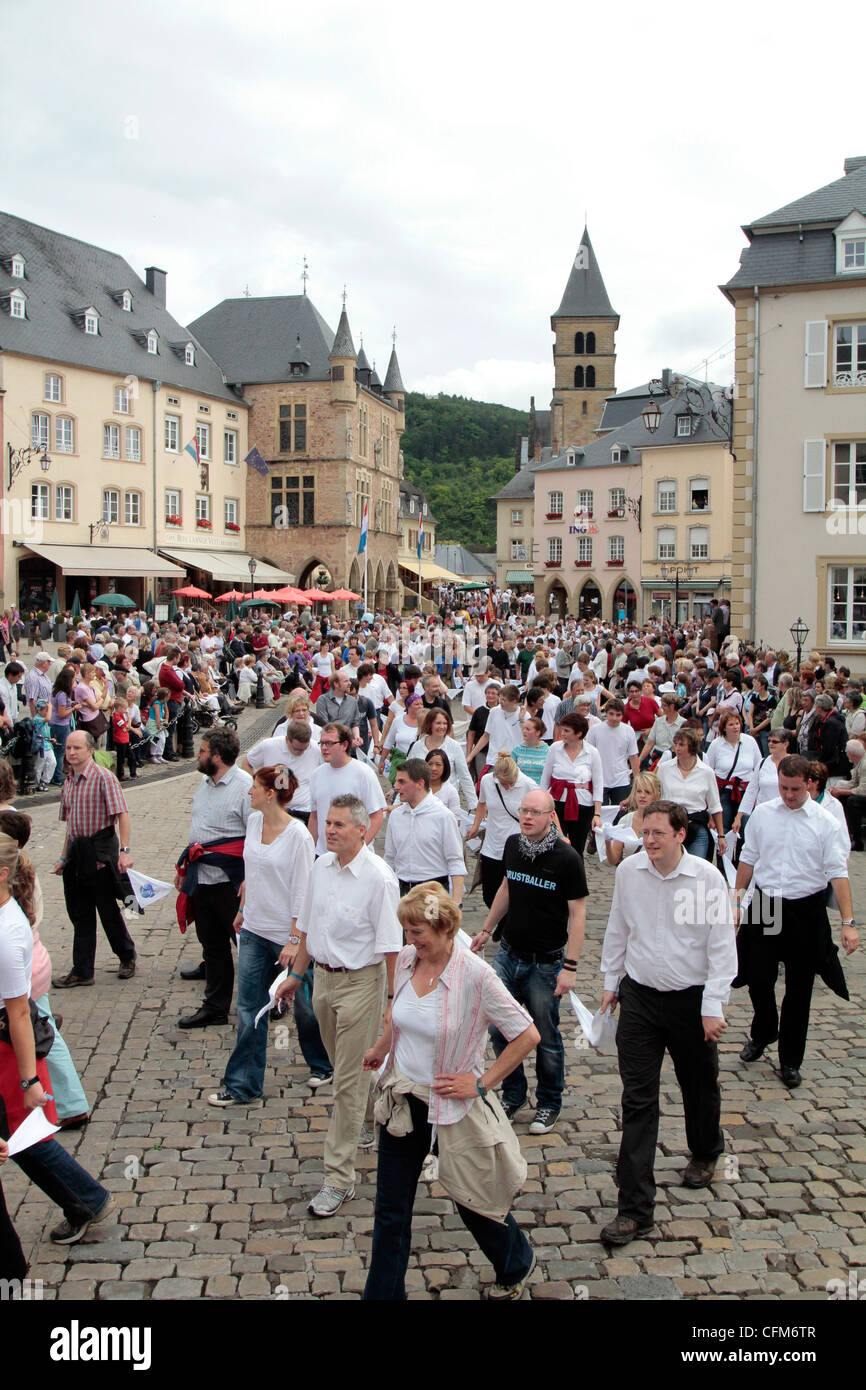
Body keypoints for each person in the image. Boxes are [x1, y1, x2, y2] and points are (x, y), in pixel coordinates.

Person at [362, 882, 539, 1301]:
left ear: (444, 930)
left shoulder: (476, 975)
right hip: (404, 1100)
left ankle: (515, 1260)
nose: (410, 941)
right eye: (407, 931)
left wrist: (480, 1083)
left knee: (471, 1196)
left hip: (452, 1106)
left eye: (418, 932)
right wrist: (381, 1049)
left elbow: (526, 1034)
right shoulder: (407, 960)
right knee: (390, 1210)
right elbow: (399, 1014)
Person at [598, 800, 737, 1246]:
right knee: (638, 1100)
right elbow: (618, 927)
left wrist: (713, 1004)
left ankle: (705, 1149)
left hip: (690, 1000)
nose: (649, 840)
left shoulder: (707, 878)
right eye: (645, 831)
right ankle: (635, 1209)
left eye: (659, 833)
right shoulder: (629, 873)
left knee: (698, 1082)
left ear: (681, 835)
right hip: (640, 997)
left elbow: (721, 946)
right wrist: (610, 981)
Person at [276, 795, 402, 1217]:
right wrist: (296, 975)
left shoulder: (379, 879)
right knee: (345, 1068)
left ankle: (338, 1178)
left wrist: (389, 1004)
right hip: (324, 982)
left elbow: (390, 949)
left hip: (364, 984)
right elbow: (309, 928)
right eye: (327, 823)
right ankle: (367, 1119)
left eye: (339, 825)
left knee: (345, 1081)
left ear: (362, 830)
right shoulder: (320, 867)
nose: (329, 830)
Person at [0, 830, 114, 1246]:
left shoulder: (8, 931)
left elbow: (17, 1012)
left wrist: (30, 1082)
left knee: (25, 1136)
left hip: (8, 1049)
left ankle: (86, 1199)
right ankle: (85, 1199)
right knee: (20, 1137)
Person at [734, 755, 858, 1088]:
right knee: (757, 976)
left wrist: (848, 921)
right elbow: (748, 858)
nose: (789, 795)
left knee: (800, 989)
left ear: (809, 783)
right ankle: (764, 1030)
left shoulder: (825, 821)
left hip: (806, 908)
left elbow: (838, 873)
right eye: (784, 788)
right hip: (765, 904)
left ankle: (790, 1060)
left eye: (796, 789)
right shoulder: (763, 814)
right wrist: (736, 899)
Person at [470, 788, 587, 1134]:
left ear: (551, 816)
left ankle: (549, 1102)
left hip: (545, 963)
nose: (527, 817)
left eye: (535, 812)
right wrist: (488, 928)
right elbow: (508, 886)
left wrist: (571, 967)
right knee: (499, 1028)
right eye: (524, 810)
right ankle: (514, 1093)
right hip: (508, 954)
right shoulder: (512, 845)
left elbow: (578, 913)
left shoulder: (566, 859)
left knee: (545, 1035)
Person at [207, 766, 316, 1106]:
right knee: (248, 1009)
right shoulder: (254, 824)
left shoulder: (298, 835)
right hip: (254, 930)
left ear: (271, 793)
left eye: (254, 786)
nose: (248, 792)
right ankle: (243, 1085)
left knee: (306, 1009)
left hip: (287, 934)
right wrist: (242, 910)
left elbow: (304, 892)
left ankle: (324, 1064)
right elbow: (251, 873)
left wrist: (295, 940)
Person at [175, 728, 251, 1027]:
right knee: (212, 945)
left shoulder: (245, 787)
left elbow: (255, 838)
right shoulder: (205, 784)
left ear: (217, 756)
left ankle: (268, 998)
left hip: (229, 883)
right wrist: (184, 867)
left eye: (203, 750)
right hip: (202, 878)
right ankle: (216, 1006)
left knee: (245, 946)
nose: (198, 754)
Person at [50, 730, 137, 987]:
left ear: (90, 750)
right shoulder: (68, 781)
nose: (71, 753)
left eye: (76, 748)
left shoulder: (104, 778)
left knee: (108, 910)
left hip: (99, 855)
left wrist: (124, 851)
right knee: (81, 913)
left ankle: (126, 955)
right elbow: (70, 827)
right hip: (78, 856)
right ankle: (82, 969)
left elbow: (122, 814)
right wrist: (63, 858)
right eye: (68, 748)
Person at [384, 760, 466, 900]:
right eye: (396, 781)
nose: (396, 787)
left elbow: (455, 860)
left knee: (429, 922)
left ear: (420, 784)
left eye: (402, 782)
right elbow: (389, 859)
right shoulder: (396, 817)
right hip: (401, 889)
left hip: (433, 892)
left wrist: (457, 903)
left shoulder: (443, 816)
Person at [465, 753, 537, 908]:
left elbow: (546, 811)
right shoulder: (487, 781)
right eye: (503, 783)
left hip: (518, 848)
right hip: (492, 846)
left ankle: (505, 928)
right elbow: (481, 804)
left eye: (510, 783)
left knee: (513, 894)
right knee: (489, 895)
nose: (507, 787)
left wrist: (558, 835)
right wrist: (476, 826)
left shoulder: (528, 785)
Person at [308, 723, 385, 856]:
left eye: (330, 743)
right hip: (323, 855)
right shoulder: (316, 775)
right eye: (322, 743)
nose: (324, 748)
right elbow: (315, 816)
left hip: (355, 855)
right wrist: (310, 850)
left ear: (344, 745)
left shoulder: (363, 773)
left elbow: (377, 816)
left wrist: (358, 848)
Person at [540, 712, 603, 856]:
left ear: (579, 733)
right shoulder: (554, 748)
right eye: (562, 729)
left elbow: (598, 784)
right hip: (557, 802)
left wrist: (597, 814)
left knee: (577, 847)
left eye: (567, 731)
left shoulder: (592, 753)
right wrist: (542, 804)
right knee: (555, 844)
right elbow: (545, 779)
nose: (562, 733)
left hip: (583, 805)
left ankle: (575, 876)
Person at [657, 727, 725, 862]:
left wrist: (721, 836)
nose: (677, 748)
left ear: (692, 747)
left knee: (697, 870)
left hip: (696, 826)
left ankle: (701, 885)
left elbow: (715, 806)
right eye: (675, 744)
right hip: (670, 826)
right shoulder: (665, 768)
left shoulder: (706, 772)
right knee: (671, 868)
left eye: (682, 744)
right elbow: (656, 797)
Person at [241, 718, 322, 825]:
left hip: (305, 811)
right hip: (275, 809)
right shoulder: (269, 746)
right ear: (287, 740)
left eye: (305, 749)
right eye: (297, 749)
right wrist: (255, 786)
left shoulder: (316, 748)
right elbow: (247, 762)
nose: (301, 753)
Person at [704, 710, 762, 836]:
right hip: (726, 791)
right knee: (724, 829)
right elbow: (708, 770)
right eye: (731, 724)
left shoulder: (750, 741)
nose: (735, 727)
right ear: (724, 728)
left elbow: (758, 766)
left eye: (737, 723)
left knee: (746, 830)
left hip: (746, 791)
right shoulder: (716, 744)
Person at [586, 698, 639, 805]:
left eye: (618, 715)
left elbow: (633, 756)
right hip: (599, 780)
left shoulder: (629, 730)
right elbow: (588, 755)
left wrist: (637, 780)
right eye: (611, 714)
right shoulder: (595, 730)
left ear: (622, 715)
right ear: (606, 713)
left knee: (620, 815)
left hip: (621, 780)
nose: (614, 718)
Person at [604, 771, 662, 868]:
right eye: (639, 791)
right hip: (633, 875)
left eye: (647, 792)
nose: (642, 796)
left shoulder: (664, 821)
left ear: (657, 795)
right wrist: (607, 841)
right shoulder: (625, 821)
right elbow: (613, 860)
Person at [830, 740, 866, 851]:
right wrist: (837, 788)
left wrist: (841, 791)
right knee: (844, 796)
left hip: (863, 795)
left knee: (852, 801)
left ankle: (857, 840)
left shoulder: (864, 765)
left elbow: (863, 790)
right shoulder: (859, 763)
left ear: (851, 753)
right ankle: (847, 833)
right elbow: (854, 783)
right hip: (862, 792)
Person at [512, 715, 549, 786]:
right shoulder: (517, 750)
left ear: (538, 733)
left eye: (528, 729)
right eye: (524, 728)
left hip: (540, 791)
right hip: (520, 789)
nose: (524, 731)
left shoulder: (548, 751)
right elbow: (510, 771)